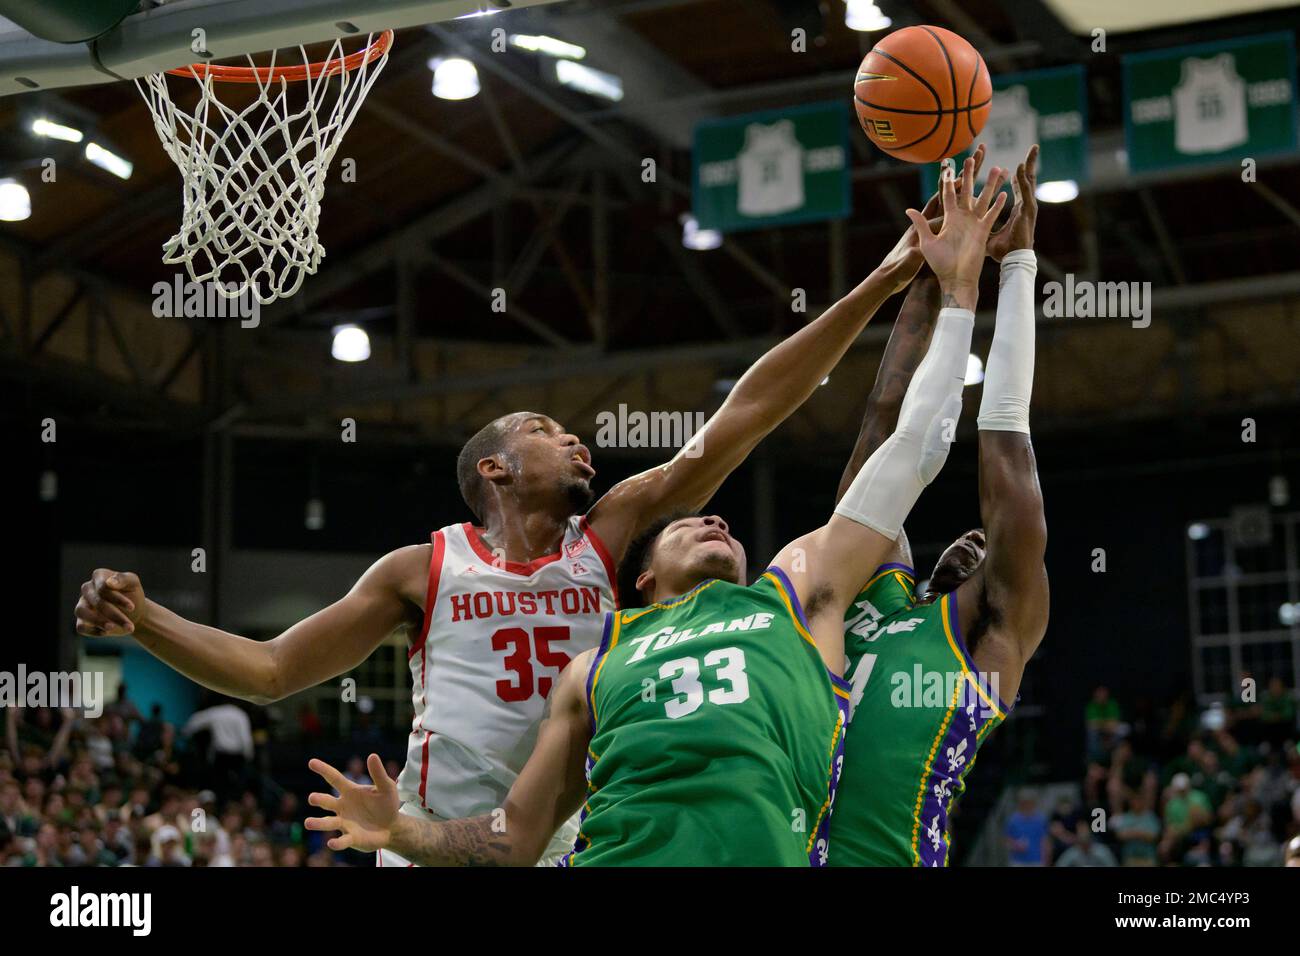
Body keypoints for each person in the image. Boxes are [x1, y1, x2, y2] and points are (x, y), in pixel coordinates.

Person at [74, 198, 938, 865]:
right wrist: (147, 623)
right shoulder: (422, 568)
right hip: (435, 839)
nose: (573, 438)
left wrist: (882, 280)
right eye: (542, 428)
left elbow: (743, 416)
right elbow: (270, 672)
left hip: (567, 842)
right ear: (492, 469)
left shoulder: (607, 537)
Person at [302, 157, 1009, 866]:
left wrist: (957, 291)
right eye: (689, 523)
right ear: (639, 579)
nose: (717, 521)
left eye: (725, 527)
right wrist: (400, 833)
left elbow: (904, 446)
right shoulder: (595, 662)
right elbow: (513, 838)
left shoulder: (792, 600)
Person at [826, 144, 1049, 867]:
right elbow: (885, 427)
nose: (971, 541)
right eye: (969, 537)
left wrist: (1015, 270)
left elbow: (1005, 442)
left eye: (986, 547)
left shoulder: (989, 636)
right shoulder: (868, 592)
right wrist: (933, 270)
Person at [1003, 789, 1050, 866]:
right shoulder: (1012, 820)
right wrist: (1016, 845)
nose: (1028, 805)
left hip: (1036, 861)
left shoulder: (1041, 820)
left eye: (1030, 803)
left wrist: (1046, 860)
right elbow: (1007, 841)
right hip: (1017, 861)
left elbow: (1045, 841)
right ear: (1020, 804)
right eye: (1025, 803)